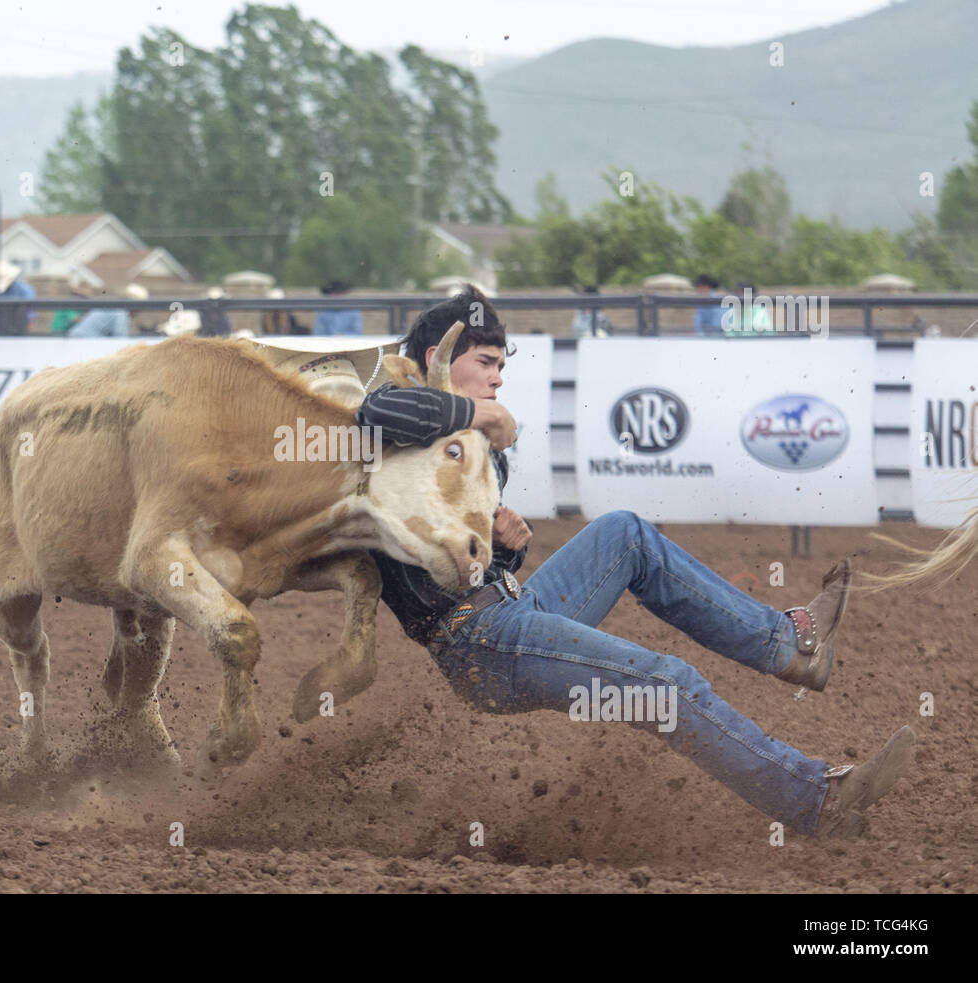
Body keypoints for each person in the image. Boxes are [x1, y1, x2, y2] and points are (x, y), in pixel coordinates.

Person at [355, 285, 915, 838]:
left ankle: (788, 645)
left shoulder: (463, 442)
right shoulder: (397, 427)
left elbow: (474, 560)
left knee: (624, 532)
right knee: (665, 683)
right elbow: (374, 411)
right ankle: (816, 799)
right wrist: (481, 414)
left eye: (501, 365)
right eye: (486, 363)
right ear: (437, 358)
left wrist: (508, 545)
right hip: (476, 639)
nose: (499, 377)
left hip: (505, 613)